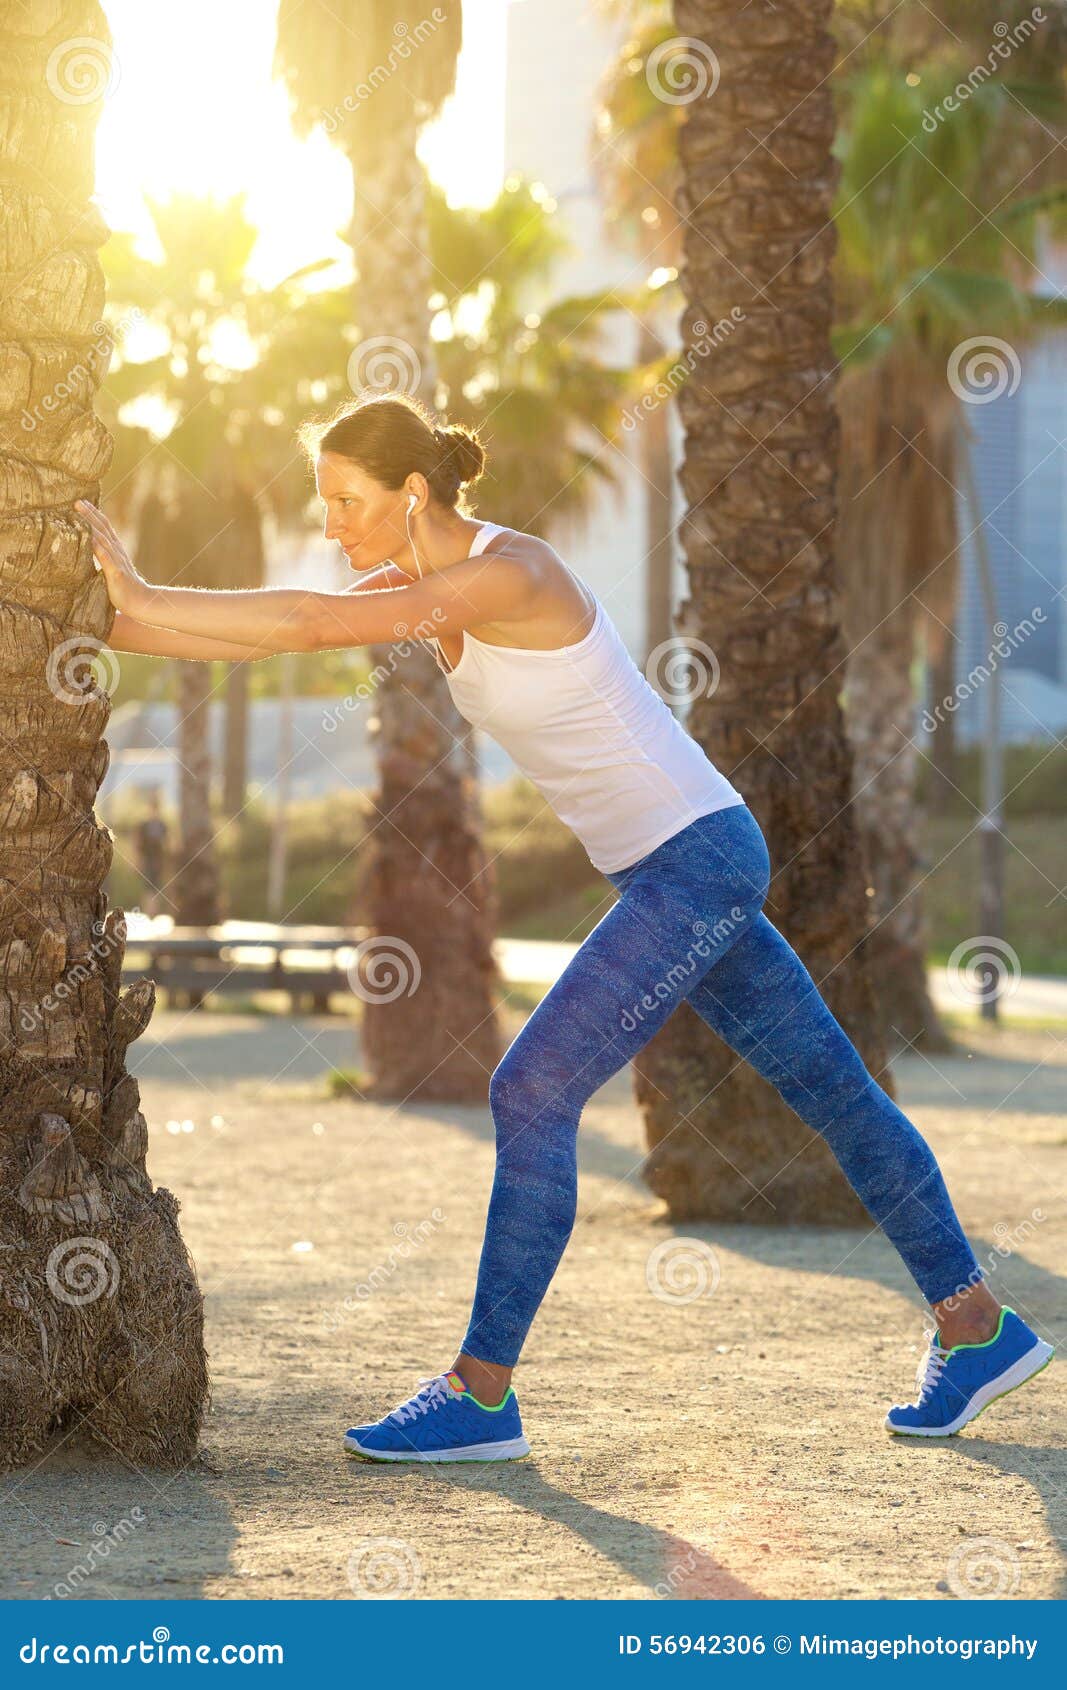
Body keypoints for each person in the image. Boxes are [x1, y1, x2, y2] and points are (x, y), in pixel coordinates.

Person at [78, 394, 1054, 1461]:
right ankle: (976, 1328)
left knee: (530, 1087)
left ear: (413, 494)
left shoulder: (511, 573)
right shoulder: (423, 589)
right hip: (680, 865)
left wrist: (139, 588)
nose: (332, 527)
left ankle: (480, 1392)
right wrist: (101, 614)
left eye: (346, 502)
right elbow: (263, 638)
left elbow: (306, 621)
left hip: (693, 862)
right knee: (833, 1091)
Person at [135, 786, 169, 918]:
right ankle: (149, 911)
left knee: (156, 886)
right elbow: (138, 844)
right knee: (148, 886)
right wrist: (138, 860)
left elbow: (167, 843)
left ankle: (154, 911)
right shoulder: (143, 825)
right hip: (148, 859)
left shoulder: (162, 825)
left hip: (158, 860)